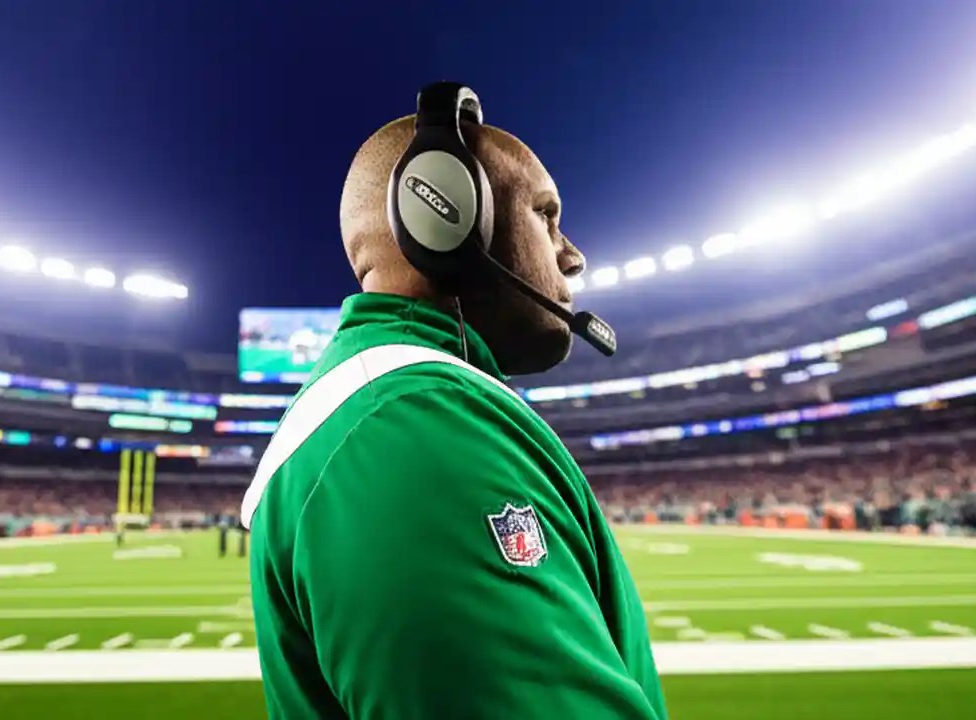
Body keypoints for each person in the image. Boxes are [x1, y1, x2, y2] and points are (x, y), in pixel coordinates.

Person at [242, 84, 666, 719]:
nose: (572, 256)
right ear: (445, 217)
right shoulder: (411, 435)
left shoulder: (399, 412)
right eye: (546, 216)